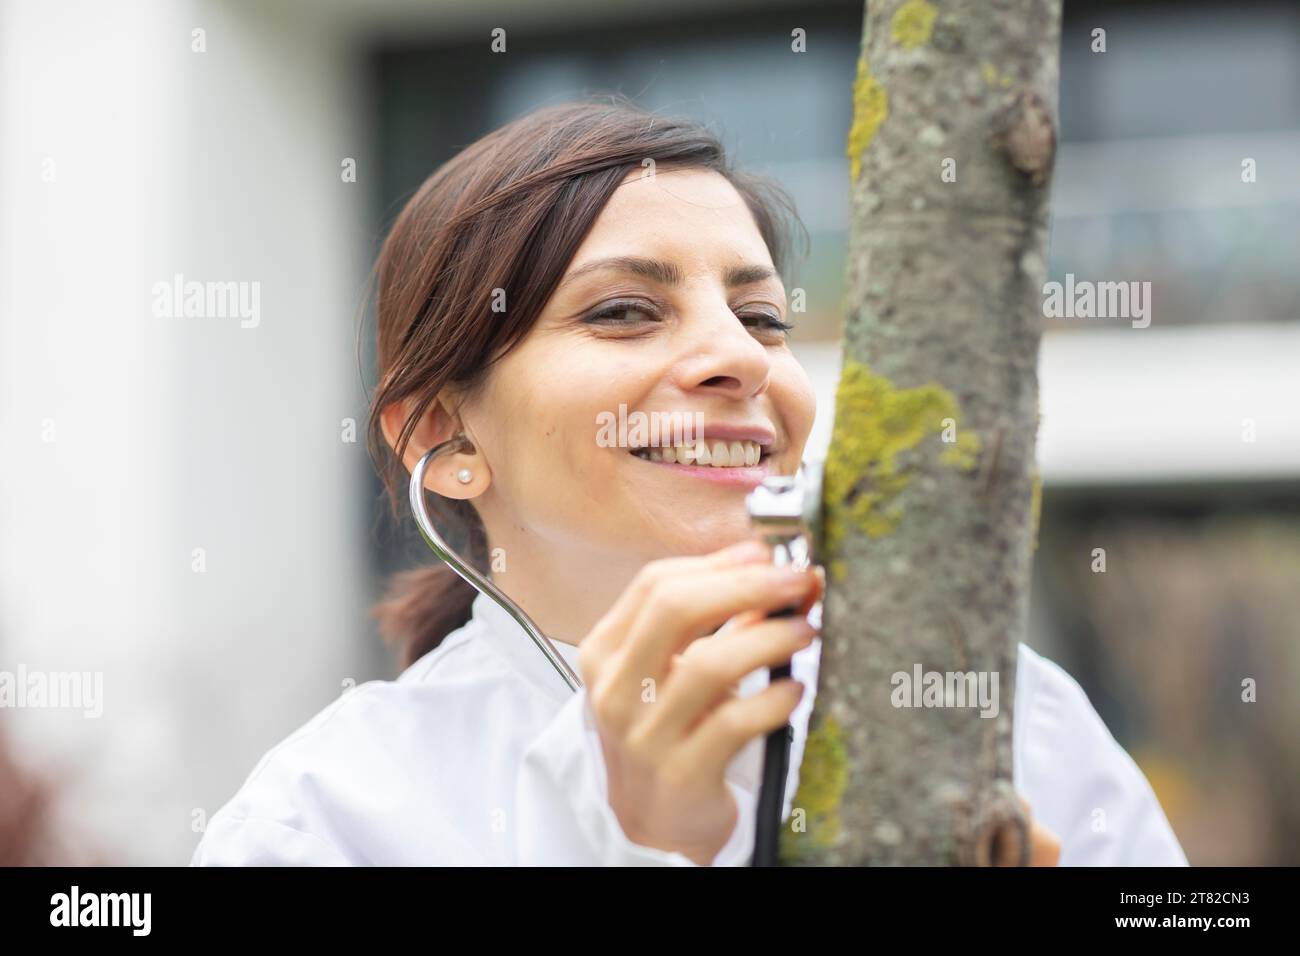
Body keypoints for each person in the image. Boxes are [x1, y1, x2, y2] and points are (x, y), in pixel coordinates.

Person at [191, 97, 1186, 867]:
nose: (741, 358)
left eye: (760, 317)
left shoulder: (999, 717)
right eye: (625, 310)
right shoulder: (322, 819)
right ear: (445, 436)